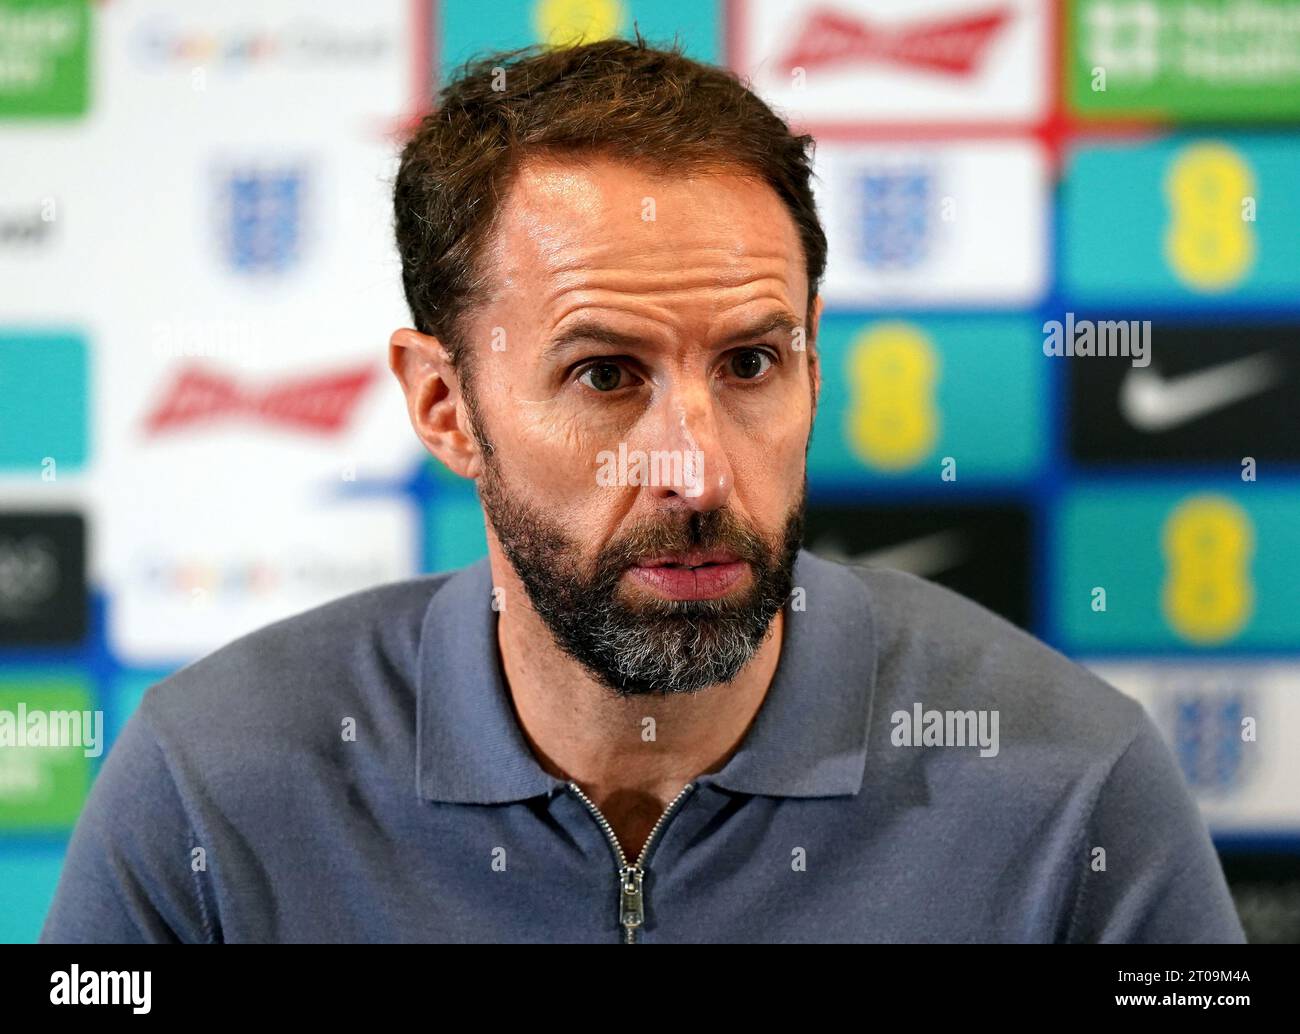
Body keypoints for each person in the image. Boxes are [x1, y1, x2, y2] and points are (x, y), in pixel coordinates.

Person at [41, 36, 1245, 944]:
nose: (697, 466)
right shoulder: (210, 788)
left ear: (814, 358)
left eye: (751, 362)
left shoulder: (1074, 791)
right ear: (443, 405)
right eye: (606, 373)